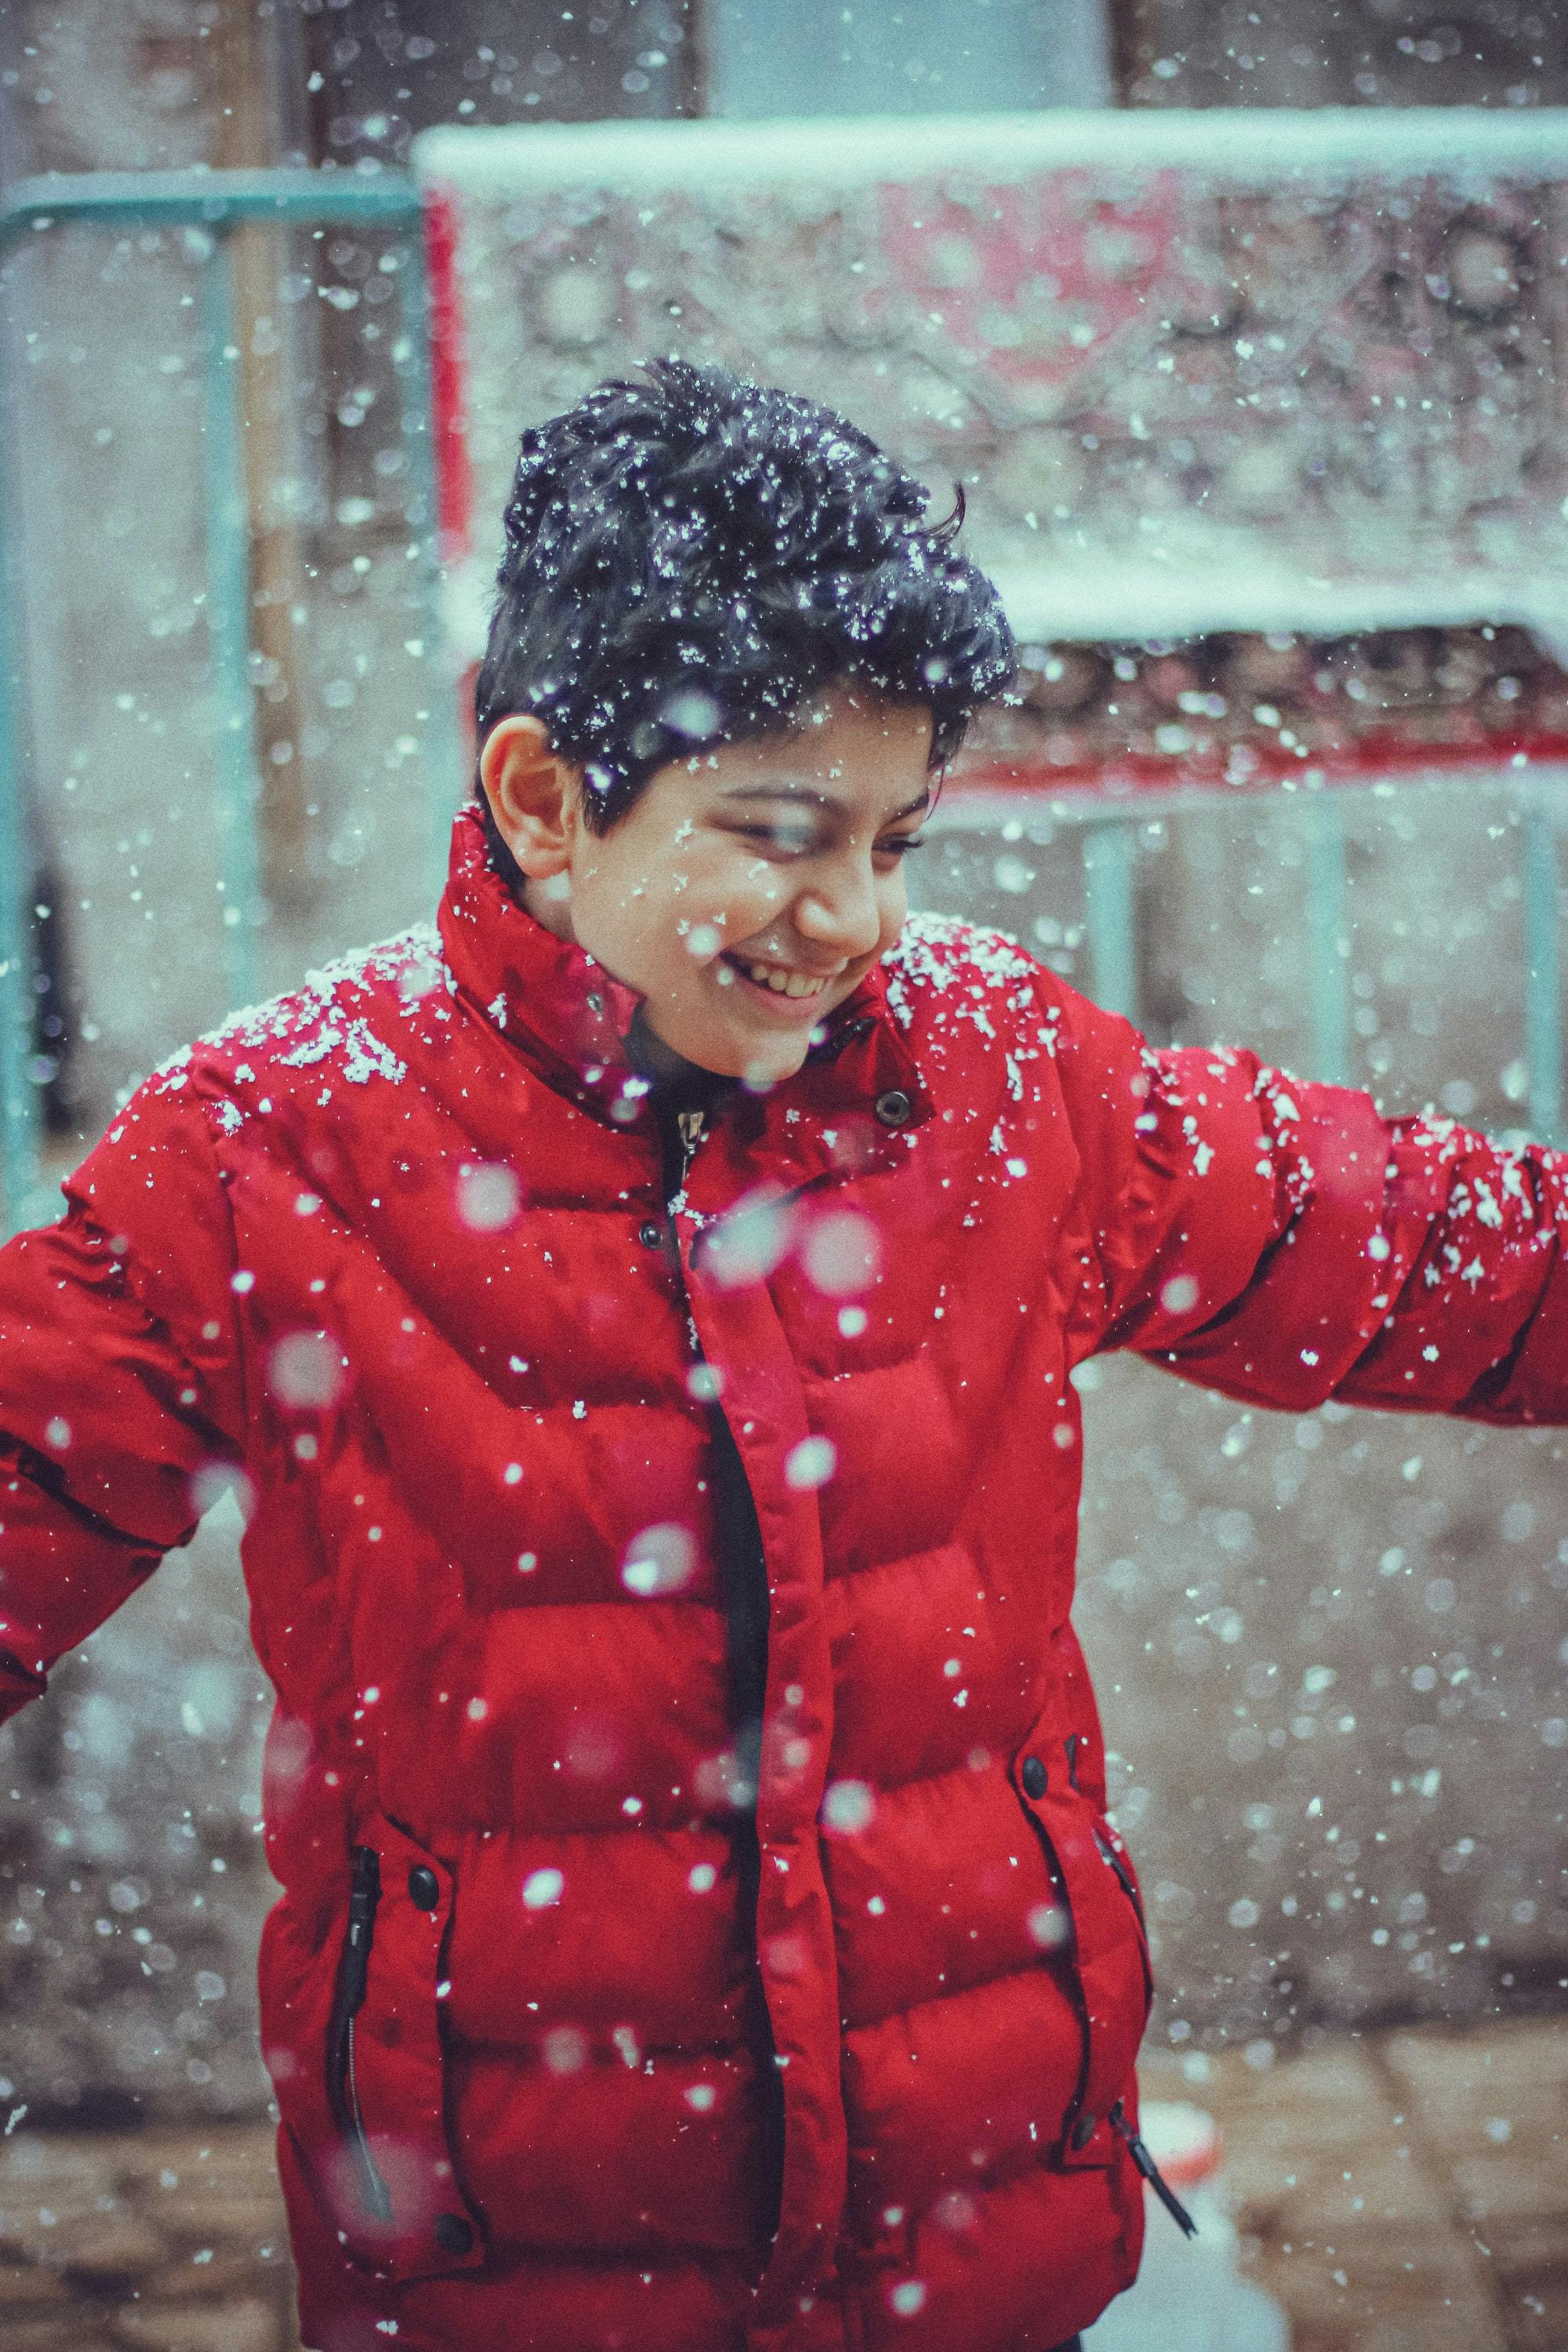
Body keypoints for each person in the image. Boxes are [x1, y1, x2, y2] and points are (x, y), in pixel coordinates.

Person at [1, 357, 1564, 2352]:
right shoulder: (275, 1151)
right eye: (778, 833)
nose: (851, 918)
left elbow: (1422, 1244)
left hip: (978, 2238)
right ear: (544, 803)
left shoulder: (998, 1085)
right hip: (522, 2263)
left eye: (894, 842)